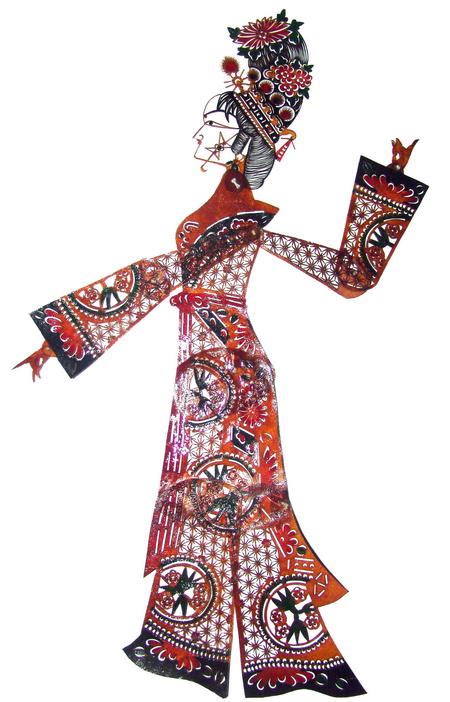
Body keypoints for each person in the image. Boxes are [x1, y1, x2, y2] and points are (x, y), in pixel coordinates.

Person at [15, 11, 428, 699]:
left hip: (227, 372)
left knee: (226, 497)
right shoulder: (220, 219)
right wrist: (55, 342)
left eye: (220, 126)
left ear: (244, 142)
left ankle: (245, 642)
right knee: (212, 496)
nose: (207, 137)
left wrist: (386, 184)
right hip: (205, 373)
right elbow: (156, 277)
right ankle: (206, 639)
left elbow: (346, 274)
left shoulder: (243, 226)